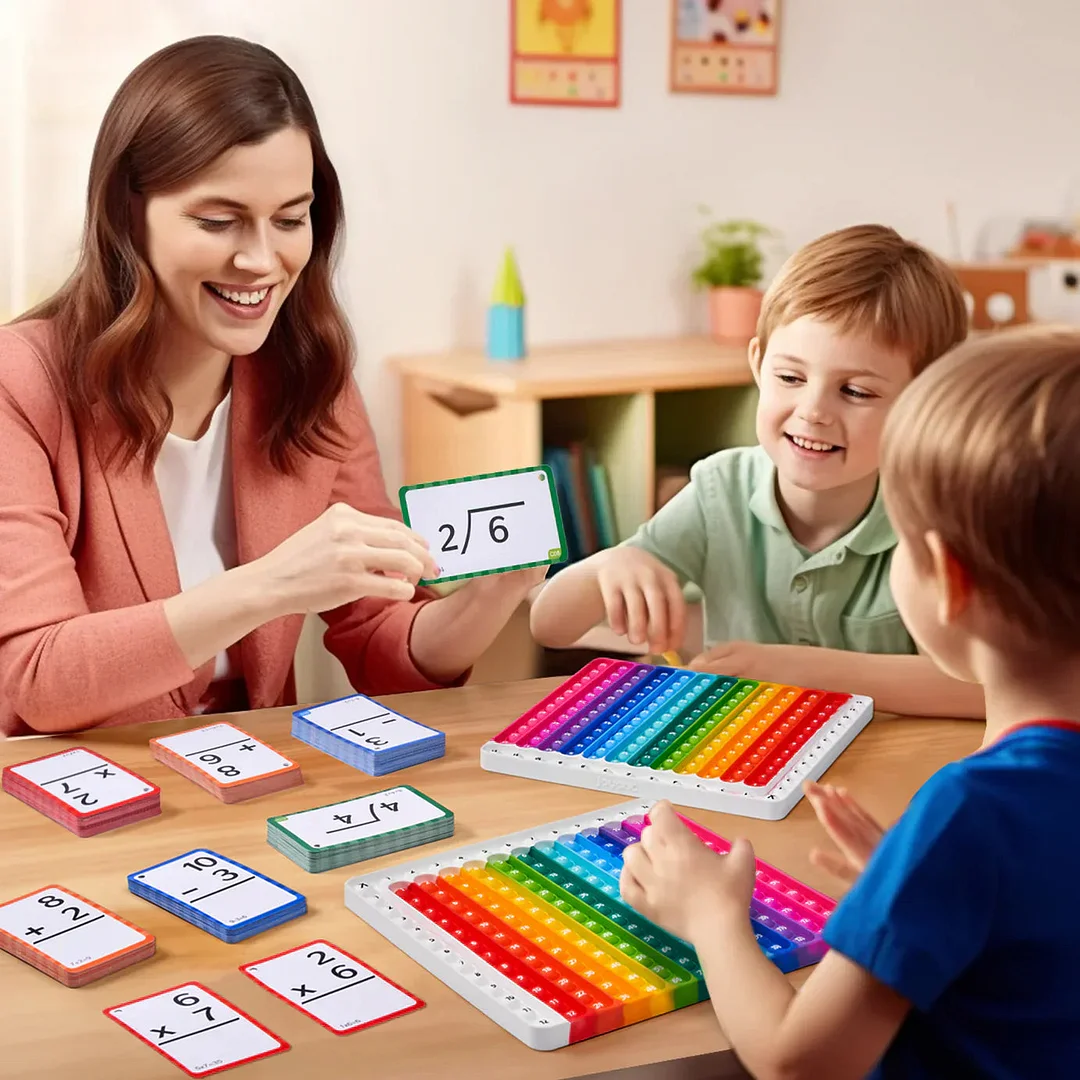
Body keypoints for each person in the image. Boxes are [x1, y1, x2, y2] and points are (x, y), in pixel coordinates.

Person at [0, 36, 543, 738]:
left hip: (246, 789)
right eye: (219, 221)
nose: (262, 260)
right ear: (128, 212)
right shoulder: (21, 383)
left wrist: (487, 601)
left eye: (291, 219)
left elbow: (379, 639)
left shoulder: (311, 379)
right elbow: (39, 680)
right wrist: (272, 585)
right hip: (69, 806)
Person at [620, 325, 1080, 1079]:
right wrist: (910, 882)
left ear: (945, 577)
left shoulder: (973, 811)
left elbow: (797, 1063)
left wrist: (707, 915)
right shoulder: (992, 823)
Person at [530, 223, 984, 718]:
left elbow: (988, 689)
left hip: (890, 777)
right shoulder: (719, 489)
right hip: (739, 763)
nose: (813, 411)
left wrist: (804, 671)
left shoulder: (939, 514)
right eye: (790, 377)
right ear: (757, 363)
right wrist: (609, 564)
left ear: (926, 399)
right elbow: (548, 626)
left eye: (856, 391)